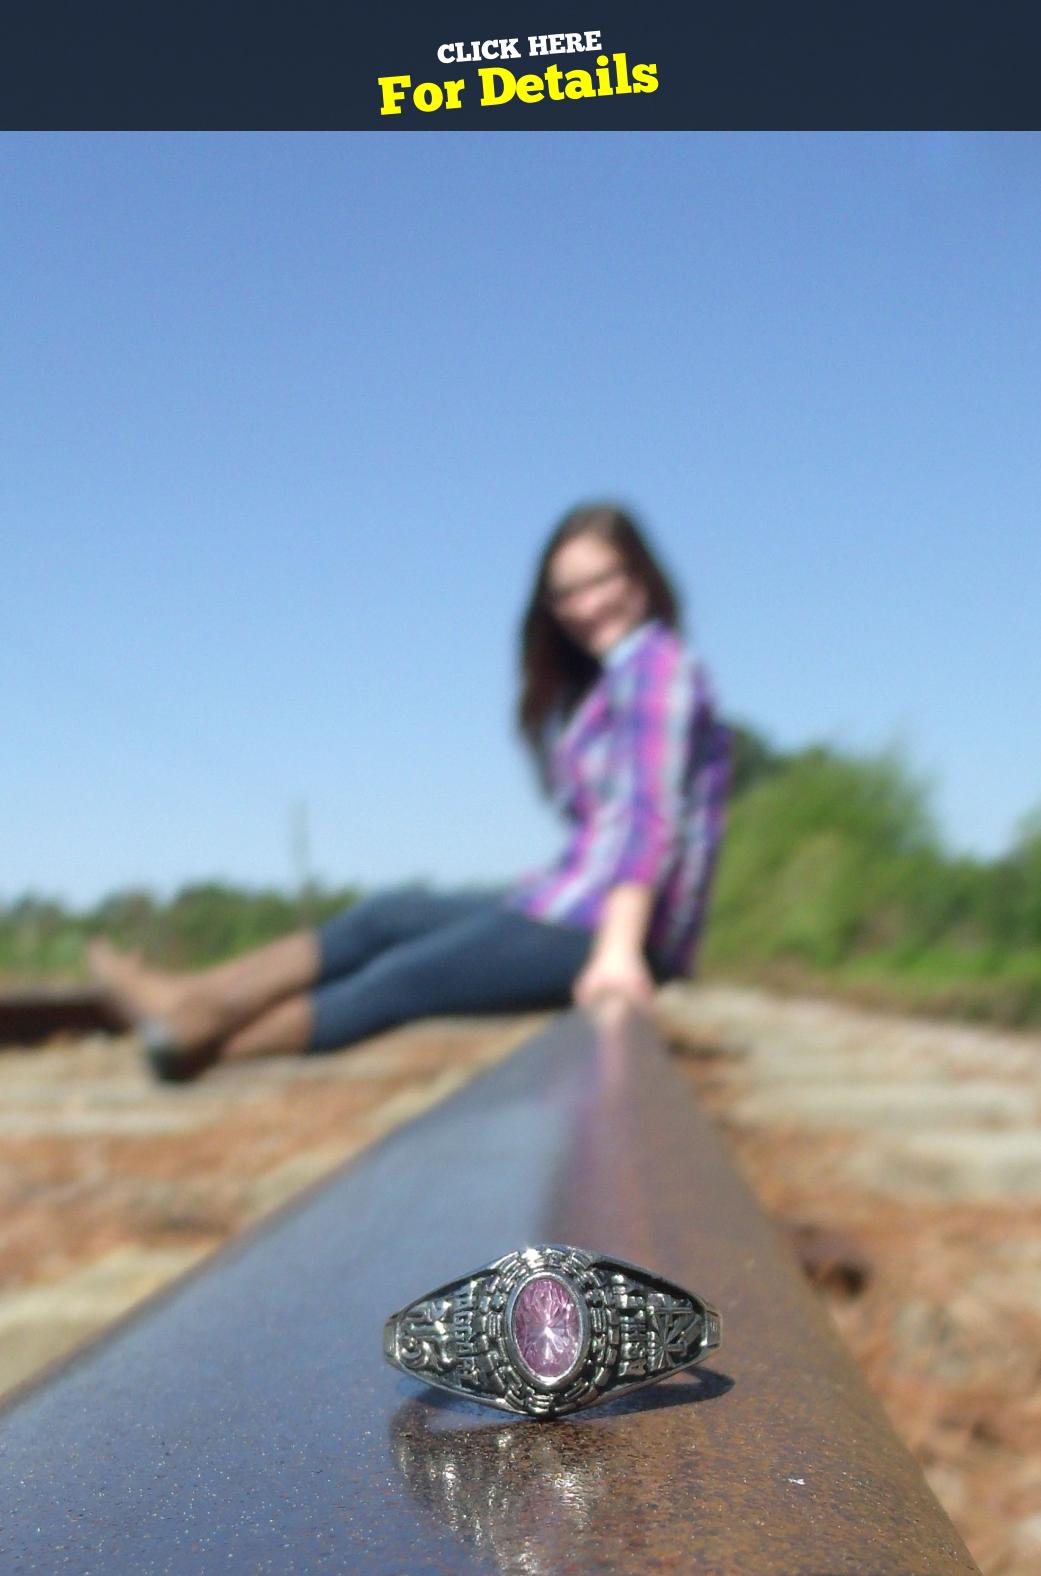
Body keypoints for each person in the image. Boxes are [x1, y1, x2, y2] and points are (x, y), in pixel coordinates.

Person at [89, 502, 731, 1081]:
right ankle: (192, 1008)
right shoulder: (607, 682)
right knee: (385, 916)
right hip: (573, 907)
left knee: (402, 978)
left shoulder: (655, 667)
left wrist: (619, 952)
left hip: (616, 929)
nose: (586, 606)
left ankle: (196, 1043)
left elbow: (650, 818)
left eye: (603, 581)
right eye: (566, 593)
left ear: (641, 577)